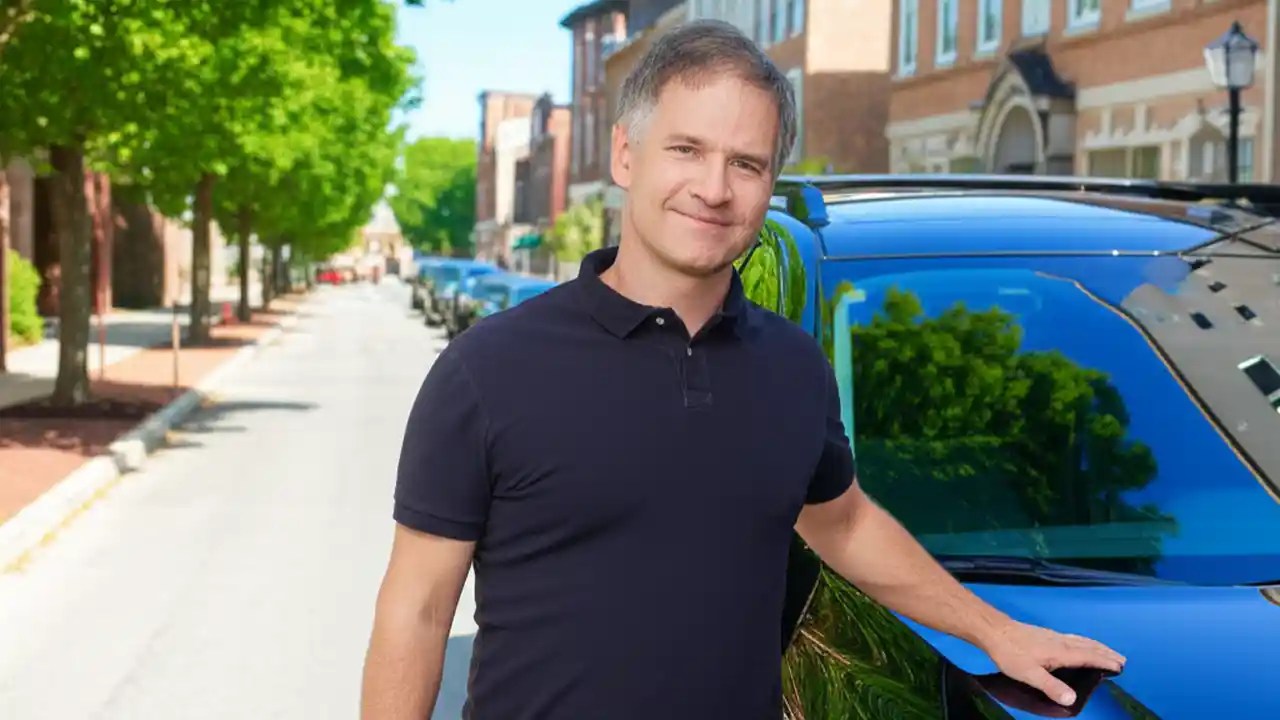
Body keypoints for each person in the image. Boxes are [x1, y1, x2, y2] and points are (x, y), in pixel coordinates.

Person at [361, 19, 1125, 720]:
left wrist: (997, 633)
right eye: (687, 150)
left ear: (767, 185)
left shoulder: (793, 367)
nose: (715, 188)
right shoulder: (488, 370)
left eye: (747, 163)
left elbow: (846, 522)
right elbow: (418, 610)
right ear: (626, 155)